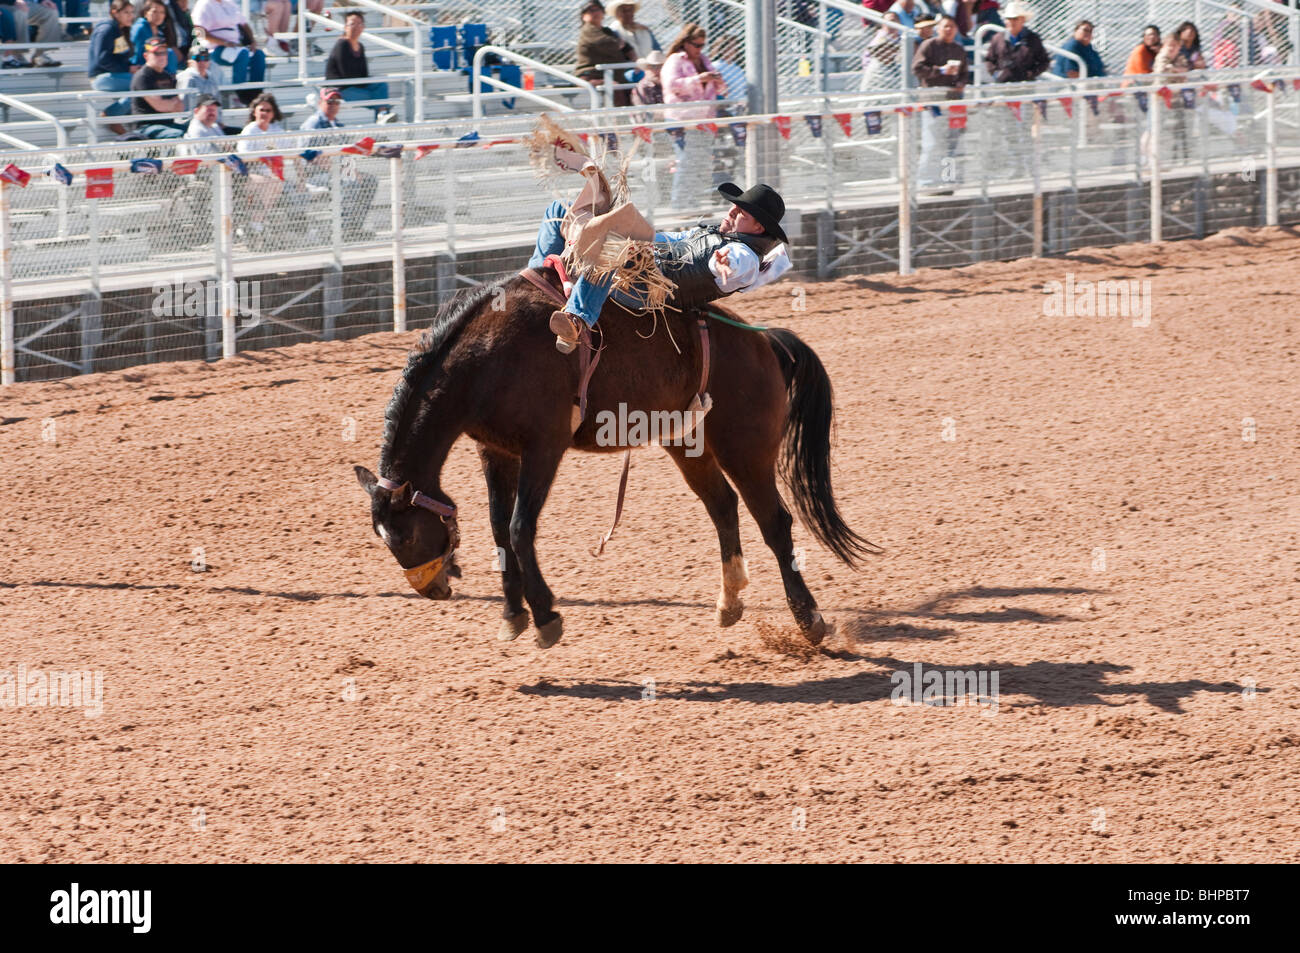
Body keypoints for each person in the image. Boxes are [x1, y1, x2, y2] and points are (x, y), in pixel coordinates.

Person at [540, 181, 793, 353]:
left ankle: (577, 320)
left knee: (612, 246)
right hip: (642, 265)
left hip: (645, 289)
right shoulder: (716, 233)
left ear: (758, 228)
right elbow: (672, 239)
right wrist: (637, 237)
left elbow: (730, 261)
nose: (732, 212)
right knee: (561, 210)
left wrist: (723, 262)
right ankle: (538, 277)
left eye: (741, 214)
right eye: (735, 206)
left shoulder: (744, 256)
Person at [299, 87, 379, 239]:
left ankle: (354, 227)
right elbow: (311, 157)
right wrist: (342, 171)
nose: (333, 104)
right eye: (330, 101)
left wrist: (353, 171)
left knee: (369, 181)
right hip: (315, 175)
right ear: (321, 102)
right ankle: (341, 230)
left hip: (337, 171)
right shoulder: (314, 124)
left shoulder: (338, 125)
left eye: (336, 101)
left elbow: (346, 154)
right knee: (349, 182)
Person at [662, 22, 724, 209]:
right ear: (685, 43)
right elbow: (672, 85)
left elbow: (719, 89)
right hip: (681, 119)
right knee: (686, 161)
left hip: (703, 119)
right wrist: (699, 79)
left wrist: (717, 81)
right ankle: (680, 204)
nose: (699, 49)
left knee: (700, 162)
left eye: (702, 45)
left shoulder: (704, 60)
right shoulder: (675, 60)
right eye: (696, 45)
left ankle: (692, 202)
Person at [913, 13, 967, 190]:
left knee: (951, 143)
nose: (949, 30)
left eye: (952, 26)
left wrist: (960, 83)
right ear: (938, 28)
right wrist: (940, 71)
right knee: (932, 142)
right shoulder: (928, 45)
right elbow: (917, 68)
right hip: (933, 101)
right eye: (945, 26)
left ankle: (948, 178)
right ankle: (926, 181)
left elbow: (965, 73)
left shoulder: (959, 49)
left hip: (953, 101)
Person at [236, 92, 291, 239]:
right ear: (254, 112)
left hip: (272, 175)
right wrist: (265, 158)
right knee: (270, 184)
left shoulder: (277, 131)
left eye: (268, 110)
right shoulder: (250, 130)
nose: (265, 113)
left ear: (274, 113)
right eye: (262, 110)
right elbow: (244, 157)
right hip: (248, 175)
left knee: (276, 183)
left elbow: (289, 153)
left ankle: (259, 222)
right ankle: (256, 223)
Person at [324, 9, 393, 122]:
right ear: (346, 27)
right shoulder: (342, 45)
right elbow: (346, 75)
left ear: (363, 27)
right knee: (377, 98)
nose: (355, 27)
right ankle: (383, 114)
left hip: (356, 85)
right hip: (341, 89)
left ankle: (382, 115)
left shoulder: (360, 46)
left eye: (359, 24)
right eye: (352, 24)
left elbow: (363, 73)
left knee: (381, 85)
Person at [192, 0, 265, 104]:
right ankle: (240, 95)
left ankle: (256, 95)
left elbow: (244, 24)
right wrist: (223, 42)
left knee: (259, 55)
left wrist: (252, 41)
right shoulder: (204, 4)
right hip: (215, 49)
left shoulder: (230, 3)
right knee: (242, 54)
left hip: (236, 47)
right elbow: (199, 32)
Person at [575, 1, 635, 108]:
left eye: (597, 9)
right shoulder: (588, 30)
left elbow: (626, 47)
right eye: (590, 10)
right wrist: (619, 43)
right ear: (583, 16)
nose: (595, 13)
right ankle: (618, 119)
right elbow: (606, 43)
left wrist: (634, 59)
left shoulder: (607, 31)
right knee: (613, 87)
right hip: (591, 75)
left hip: (613, 74)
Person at [88, 0, 137, 120]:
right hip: (101, 78)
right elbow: (102, 59)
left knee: (145, 81)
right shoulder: (106, 29)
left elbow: (120, 58)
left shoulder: (120, 30)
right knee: (142, 83)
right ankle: (111, 114)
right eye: (127, 12)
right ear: (115, 13)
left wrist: (133, 67)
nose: (131, 16)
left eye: (132, 12)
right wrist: (128, 68)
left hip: (114, 75)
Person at [128, 37, 186, 137]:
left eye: (164, 53)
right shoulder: (143, 76)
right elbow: (159, 106)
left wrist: (167, 104)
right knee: (177, 135)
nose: (162, 57)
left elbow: (180, 107)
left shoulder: (167, 76)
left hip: (167, 124)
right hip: (147, 127)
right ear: (146, 56)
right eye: (157, 53)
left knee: (195, 131)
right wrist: (170, 104)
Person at [984, 0, 1047, 83]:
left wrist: (1031, 73)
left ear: (1023, 20)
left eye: (1015, 19)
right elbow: (989, 60)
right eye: (1008, 19)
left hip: (1026, 84)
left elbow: (1044, 61)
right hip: (1003, 84)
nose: (1011, 22)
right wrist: (996, 73)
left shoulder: (1032, 39)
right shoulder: (997, 39)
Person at [0, 0, 62, 66]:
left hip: (28, 3)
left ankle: (40, 55)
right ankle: (17, 55)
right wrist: (13, 1)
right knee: (20, 13)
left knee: (51, 12)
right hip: (6, 3)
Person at [131, 0, 179, 72]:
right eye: (154, 12)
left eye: (162, 12)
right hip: (140, 67)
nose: (158, 15)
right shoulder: (140, 28)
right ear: (145, 13)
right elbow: (138, 55)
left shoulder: (160, 30)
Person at [859, 11, 902, 90]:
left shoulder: (902, 40)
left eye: (894, 21)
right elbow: (867, 61)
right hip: (878, 79)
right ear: (882, 24)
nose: (891, 24)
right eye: (888, 21)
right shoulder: (878, 41)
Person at [176, 44, 219, 108]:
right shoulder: (187, 78)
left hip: (208, 116)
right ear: (189, 61)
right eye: (198, 58)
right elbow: (183, 106)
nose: (202, 61)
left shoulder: (212, 77)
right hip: (193, 117)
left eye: (206, 58)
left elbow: (217, 104)